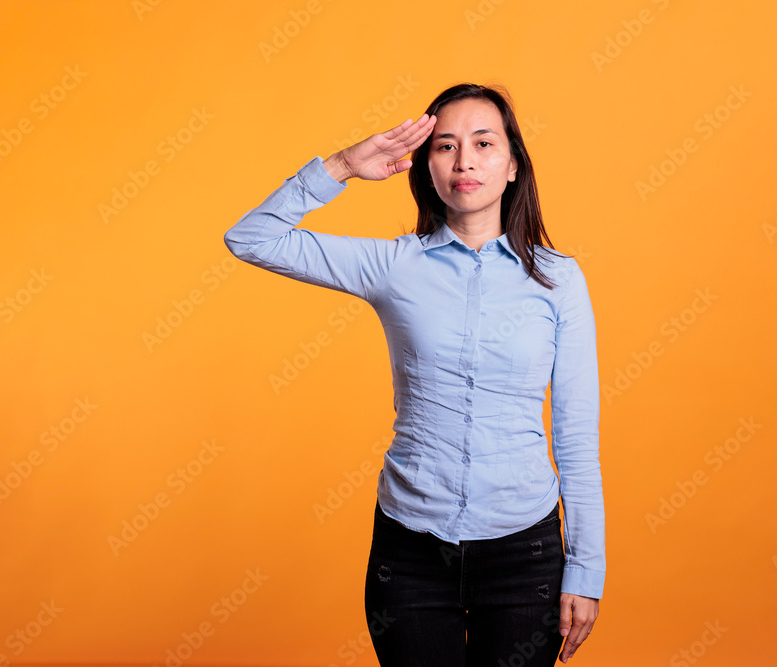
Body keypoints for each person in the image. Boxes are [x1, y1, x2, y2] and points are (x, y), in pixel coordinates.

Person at [223, 83, 604, 665]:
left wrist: (585, 568)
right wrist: (343, 166)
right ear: (427, 168)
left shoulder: (559, 280)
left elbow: (576, 438)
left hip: (524, 554)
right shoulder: (393, 265)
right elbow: (250, 238)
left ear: (513, 166)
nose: (464, 161)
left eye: (483, 143)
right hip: (411, 553)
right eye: (445, 146)